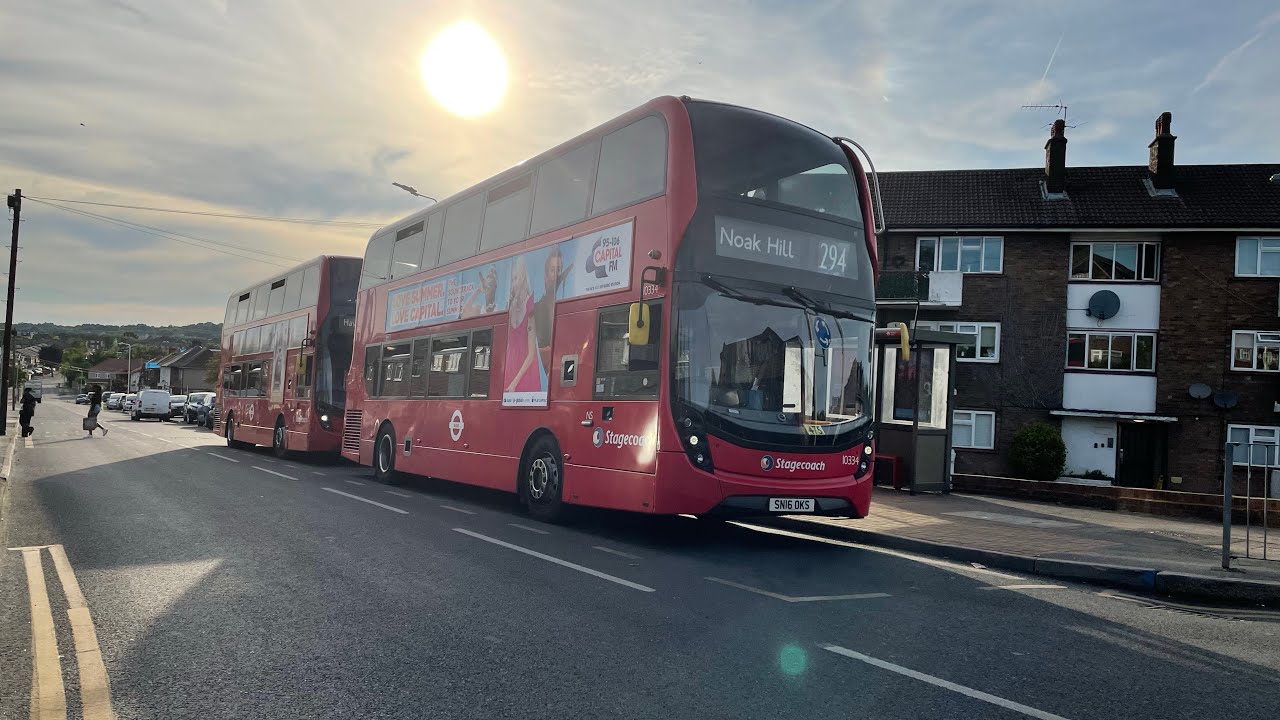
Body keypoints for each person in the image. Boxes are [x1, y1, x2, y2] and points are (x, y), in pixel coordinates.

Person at [503, 260, 541, 396]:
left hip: (525, 373)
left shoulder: (531, 306)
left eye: (516, 278)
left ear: (524, 277)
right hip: (510, 367)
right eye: (512, 279)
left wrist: (514, 383)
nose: (513, 284)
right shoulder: (511, 306)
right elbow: (507, 342)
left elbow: (531, 354)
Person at [533, 247, 572, 374]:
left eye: (559, 270)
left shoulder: (567, 309)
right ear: (545, 276)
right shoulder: (536, 309)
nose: (556, 275)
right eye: (552, 270)